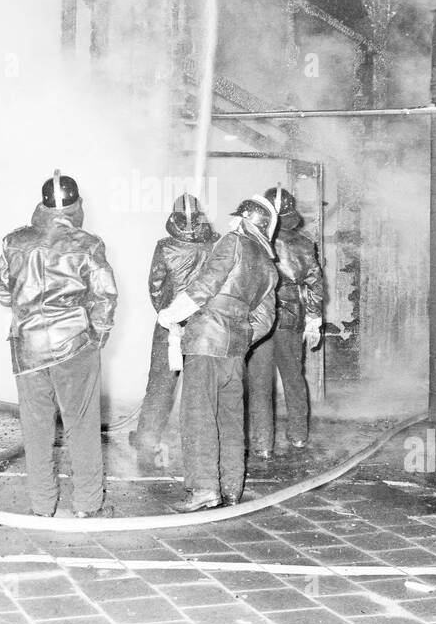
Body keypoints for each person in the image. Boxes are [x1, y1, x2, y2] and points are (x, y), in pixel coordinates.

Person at [0, 171, 118, 519]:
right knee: (82, 426)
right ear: (77, 207)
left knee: (36, 431)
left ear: (41, 205)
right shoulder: (88, 244)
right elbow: (105, 297)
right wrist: (99, 334)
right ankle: (88, 506)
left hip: (27, 349)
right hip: (75, 347)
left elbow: (1, 292)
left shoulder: (14, 241)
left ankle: (42, 505)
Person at [157, 195, 278, 512]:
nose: (231, 222)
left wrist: (171, 314)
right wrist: (238, 337)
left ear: (246, 222)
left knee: (198, 417)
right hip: (235, 352)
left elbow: (206, 285)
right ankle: (231, 488)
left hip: (205, 345)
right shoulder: (268, 267)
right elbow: (264, 321)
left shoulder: (233, 242)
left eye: (237, 217)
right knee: (230, 420)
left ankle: (203, 490)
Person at [132, 194, 215, 468]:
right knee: (199, 391)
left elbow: (155, 287)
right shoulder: (215, 244)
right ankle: (197, 452)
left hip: (170, 327)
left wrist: (167, 314)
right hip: (204, 328)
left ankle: (146, 445)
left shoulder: (165, 247)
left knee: (160, 387)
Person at [247, 186, 326, 458]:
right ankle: (298, 437)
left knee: (259, 383)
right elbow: (315, 284)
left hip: (258, 318)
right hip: (291, 319)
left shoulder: (254, 241)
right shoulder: (304, 244)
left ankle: (262, 443)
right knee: (293, 379)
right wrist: (314, 321)